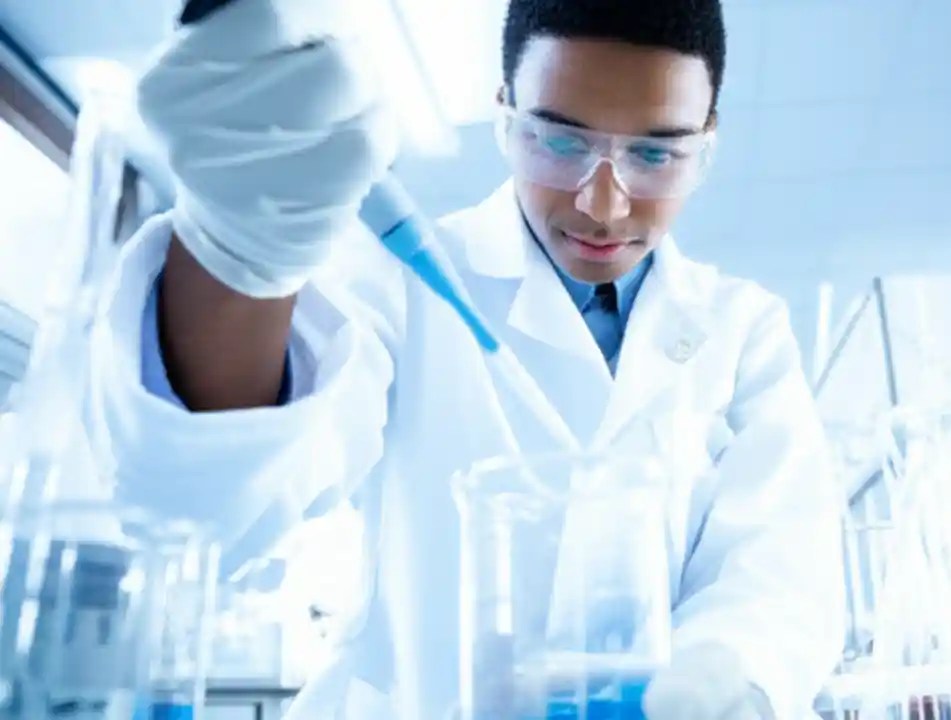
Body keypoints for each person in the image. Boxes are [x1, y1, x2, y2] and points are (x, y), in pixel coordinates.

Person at [94, 0, 844, 716]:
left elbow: (782, 574)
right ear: (505, 115)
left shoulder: (743, 330)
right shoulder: (398, 280)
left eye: (655, 154)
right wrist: (239, 254)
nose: (604, 205)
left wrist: (726, 679)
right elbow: (217, 505)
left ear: (706, 140)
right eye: (560, 141)